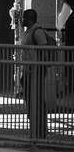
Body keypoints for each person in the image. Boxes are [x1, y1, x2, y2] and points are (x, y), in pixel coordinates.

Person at [20, 8, 53, 139]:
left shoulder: (37, 32)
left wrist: (38, 67)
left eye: (24, 18)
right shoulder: (29, 31)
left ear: (30, 19)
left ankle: (40, 132)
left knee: (37, 100)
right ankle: (35, 130)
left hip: (36, 72)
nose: (22, 20)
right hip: (29, 72)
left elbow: (43, 50)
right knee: (31, 100)